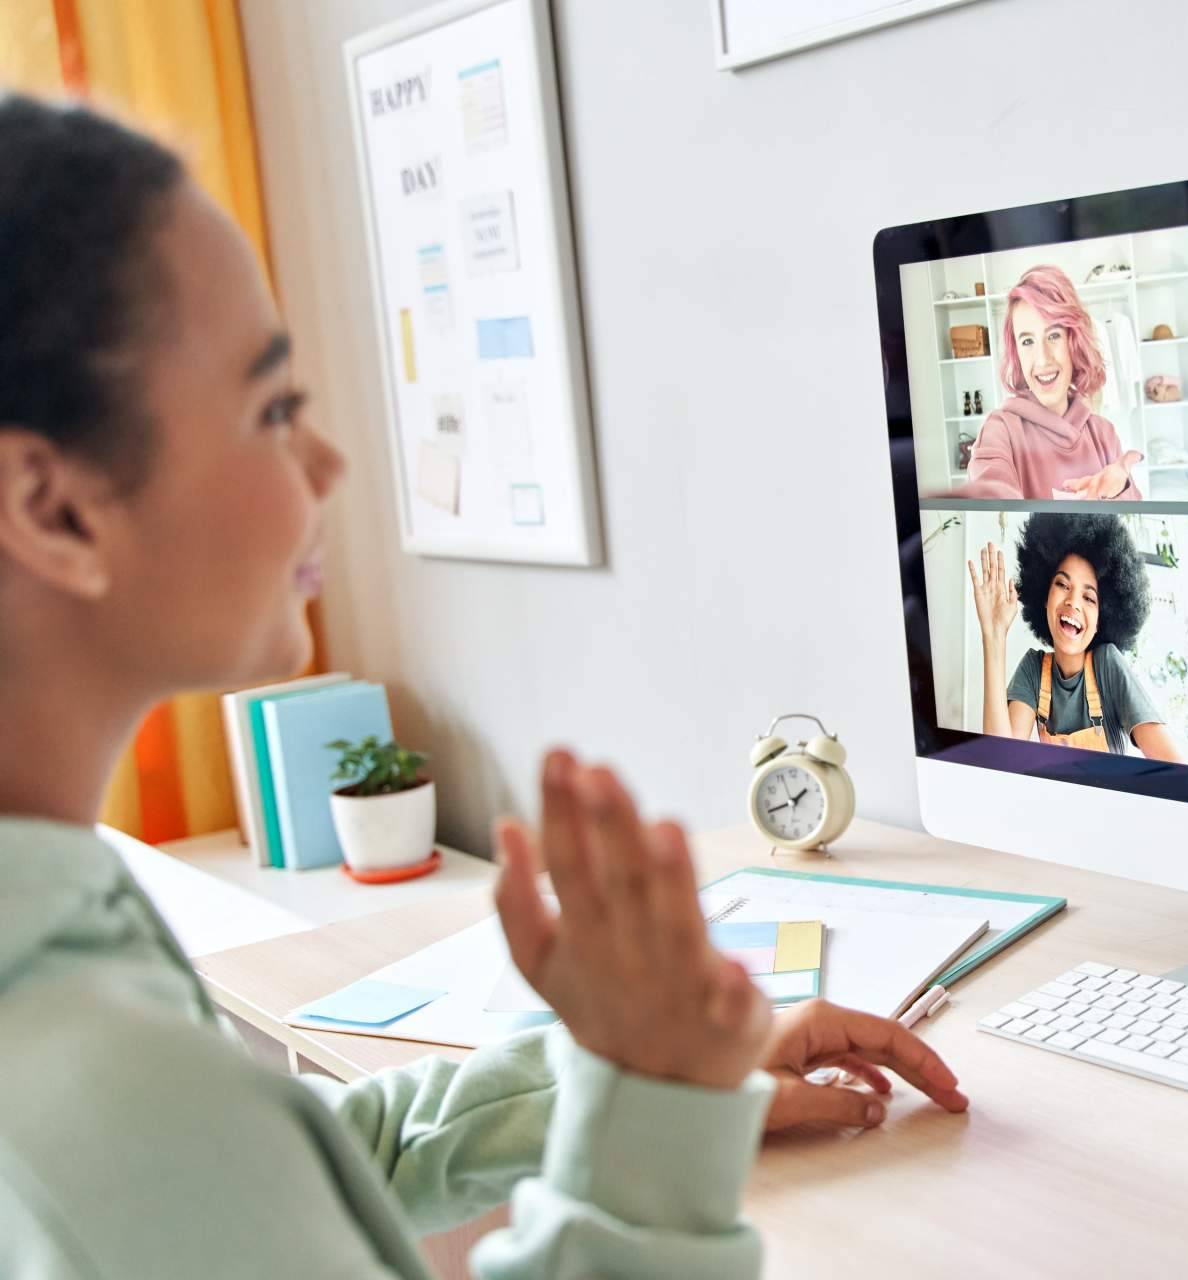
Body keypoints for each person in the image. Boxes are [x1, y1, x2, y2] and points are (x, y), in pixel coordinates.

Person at [0, 97, 964, 1279]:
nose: (328, 463)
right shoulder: (91, 1093)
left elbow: (284, 1176)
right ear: (52, 507)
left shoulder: (70, 967)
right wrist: (655, 1122)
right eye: (275, 408)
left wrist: (650, 1076)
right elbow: (190, 1167)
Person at [968, 513, 1179, 760]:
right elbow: (1001, 759)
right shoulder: (1033, 670)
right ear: (1045, 598)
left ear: (1101, 619)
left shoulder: (1107, 664)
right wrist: (994, 634)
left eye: (1089, 598)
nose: (1073, 602)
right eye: (1062, 584)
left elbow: (1173, 764)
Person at [959, 265, 1143, 500]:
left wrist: (1121, 492)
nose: (1043, 359)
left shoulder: (1104, 433)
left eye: (1053, 335)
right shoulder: (999, 431)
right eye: (1027, 342)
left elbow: (1132, 520)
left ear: (1073, 342)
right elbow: (991, 500)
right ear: (1017, 353)